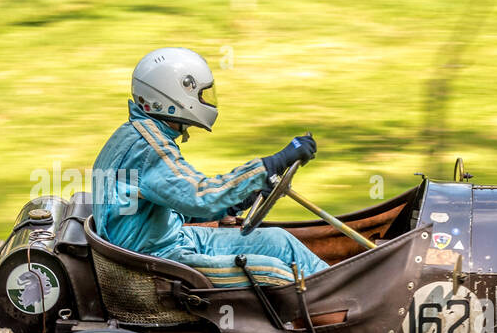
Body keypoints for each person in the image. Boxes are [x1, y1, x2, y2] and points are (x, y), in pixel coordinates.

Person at [91, 47, 328, 285]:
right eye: (202, 95)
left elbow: (179, 201)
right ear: (172, 94)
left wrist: (239, 201)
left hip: (167, 240)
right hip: (156, 262)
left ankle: (341, 292)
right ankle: (338, 306)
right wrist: (269, 165)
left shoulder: (137, 134)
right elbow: (200, 196)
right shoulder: (147, 151)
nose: (205, 101)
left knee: (279, 241)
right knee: (279, 274)